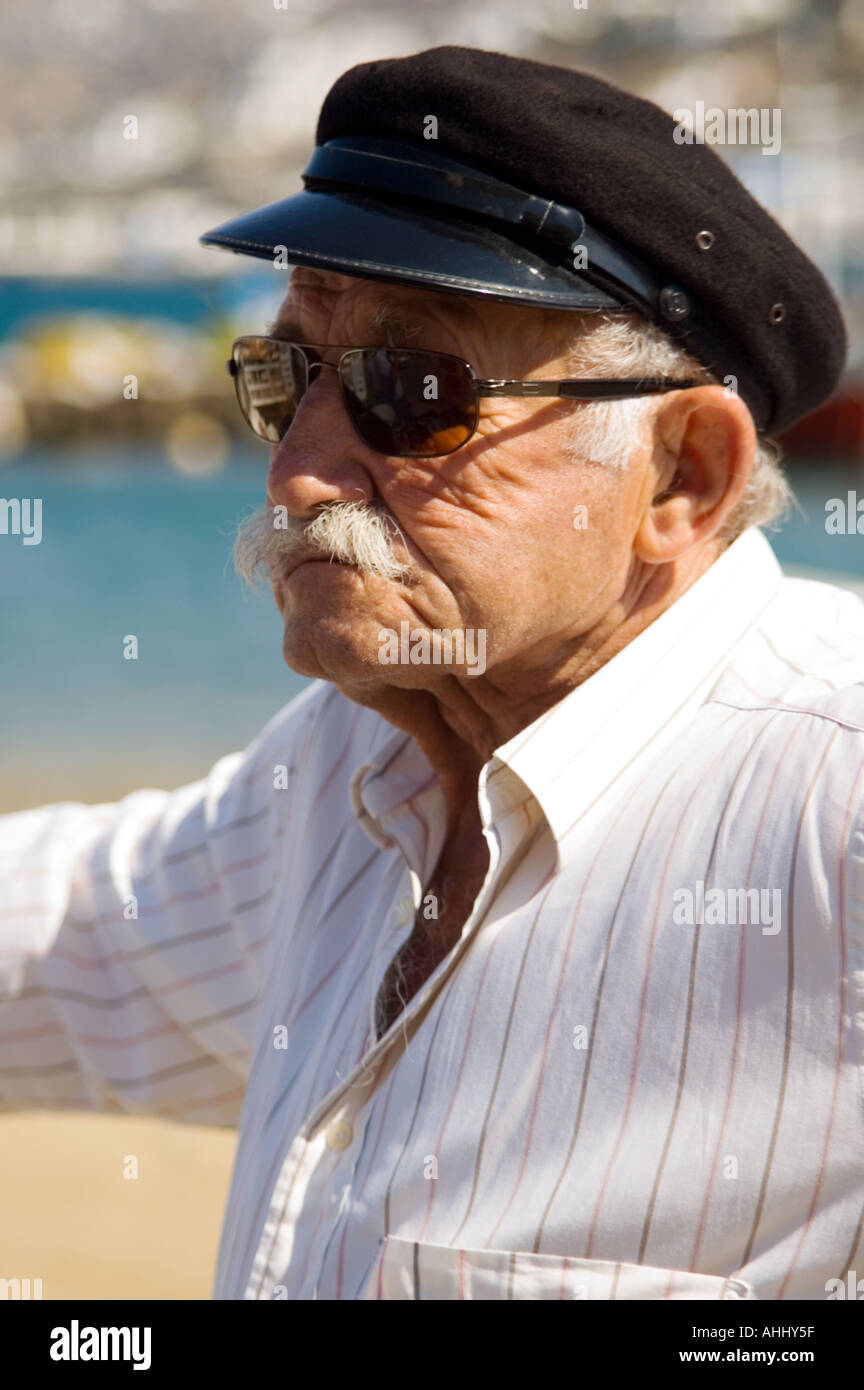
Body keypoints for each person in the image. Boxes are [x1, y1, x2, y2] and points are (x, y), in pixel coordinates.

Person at [2, 46, 862, 1301]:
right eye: (287, 377)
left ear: (680, 477)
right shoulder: (349, 772)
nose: (299, 475)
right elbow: (65, 938)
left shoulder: (829, 808)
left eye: (412, 390)